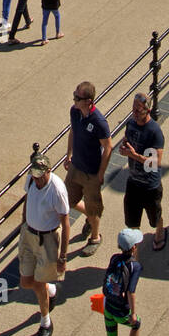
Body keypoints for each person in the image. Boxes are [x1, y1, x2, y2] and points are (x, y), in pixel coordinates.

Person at [18, 149, 70, 336]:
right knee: (26, 282)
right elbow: (27, 200)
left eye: (40, 177)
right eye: (34, 176)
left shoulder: (57, 189)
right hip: (29, 236)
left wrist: (63, 256)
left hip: (47, 239)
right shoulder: (31, 180)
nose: (37, 181)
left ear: (49, 170)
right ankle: (51, 290)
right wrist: (23, 224)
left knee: (38, 283)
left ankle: (45, 322)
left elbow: (65, 223)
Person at [94, 228, 146, 336]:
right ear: (134, 248)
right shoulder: (135, 266)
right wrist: (132, 314)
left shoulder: (114, 258)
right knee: (136, 325)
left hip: (108, 307)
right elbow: (131, 291)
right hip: (121, 310)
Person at [65, 81, 112, 256]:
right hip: (76, 167)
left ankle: (95, 237)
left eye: (78, 97)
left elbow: (108, 146)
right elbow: (73, 131)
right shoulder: (75, 112)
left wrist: (101, 173)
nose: (74, 100)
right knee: (67, 201)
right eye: (74, 96)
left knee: (94, 207)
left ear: (88, 101)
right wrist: (69, 154)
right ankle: (91, 219)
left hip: (91, 173)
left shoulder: (98, 121)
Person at [119, 92, 167, 250]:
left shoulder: (154, 132)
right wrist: (124, 148)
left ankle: (160, 231)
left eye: (138, 110)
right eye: (133, 109)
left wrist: (135, 156)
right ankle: (134, 256)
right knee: (132, 223)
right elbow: (127, 140)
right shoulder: (131, 124)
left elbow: (156, 162)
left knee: (155, 218)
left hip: (150, 185)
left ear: (147, 110)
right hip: (133, 182)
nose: (134, 113)